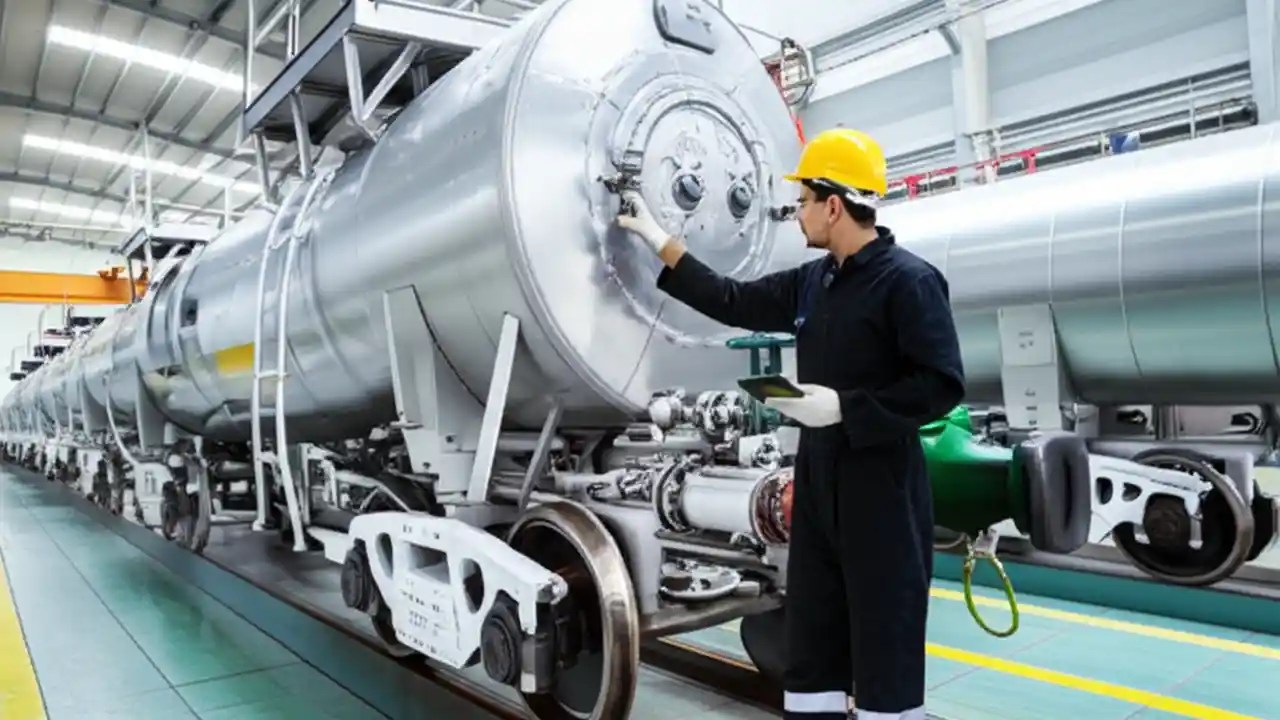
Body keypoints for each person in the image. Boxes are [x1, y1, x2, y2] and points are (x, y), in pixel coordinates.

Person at [615, 128, 965, 720]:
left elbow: (941, 385)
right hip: (818, 477)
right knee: (813, 636)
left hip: (881, 484)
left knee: (886, 634)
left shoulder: (909, 282)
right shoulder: (815, 280)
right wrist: (657, 238)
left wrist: (845, 407)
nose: (796, 212)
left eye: (803, 201)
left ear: (834, 204)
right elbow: (733, 299)